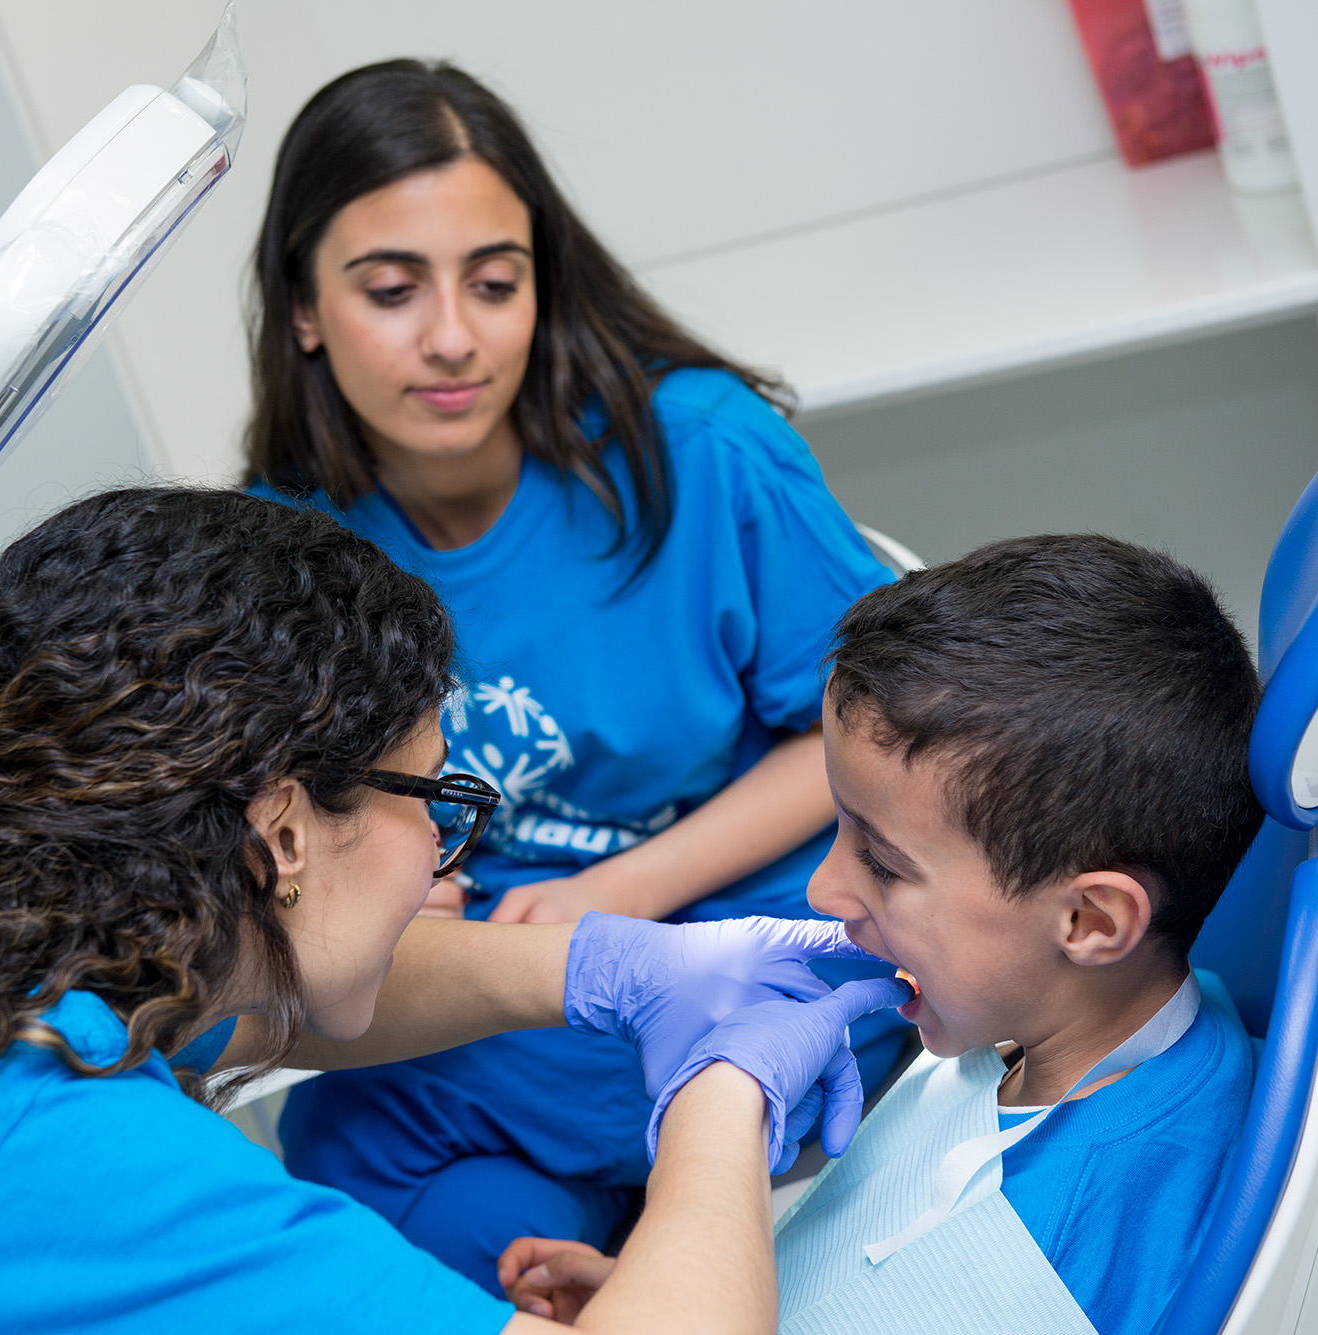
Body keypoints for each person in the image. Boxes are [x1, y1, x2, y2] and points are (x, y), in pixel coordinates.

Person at [0, 487, 909, 1335]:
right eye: (429, 799)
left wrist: (601, 969)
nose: (444, 855)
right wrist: (721, 1090)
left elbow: (265, 998)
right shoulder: (62, 1154)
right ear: (279, 832)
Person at [245, 58, 905, 1288]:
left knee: (373, 1101)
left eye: (494, 284)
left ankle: (667, 1228)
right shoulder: (281, 545)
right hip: (516, 970)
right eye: (390, 290)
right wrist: (388, 881)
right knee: (360, 1153)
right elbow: (302, 825)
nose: (452, 337)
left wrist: (624, 888)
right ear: (302, 308)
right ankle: (624, 1264)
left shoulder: (700, 449)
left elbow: (877, 734)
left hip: (749, 915)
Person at [501, 535, 1267, 1335]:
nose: (821, 891)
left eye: (882, 861)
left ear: (1091, 922)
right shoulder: (1039, 1025)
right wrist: (662, 1292)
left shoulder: (1033, 1266)